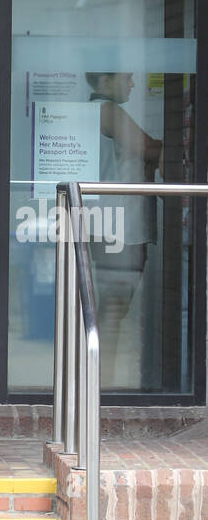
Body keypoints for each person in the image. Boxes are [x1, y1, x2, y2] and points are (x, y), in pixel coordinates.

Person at [85, 72, 162, 385]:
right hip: (120, 226)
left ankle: (98, 381)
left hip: (107, 222)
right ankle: (101, 384)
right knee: (114, 310)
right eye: (126, 77)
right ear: (105, 80)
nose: (132, 83)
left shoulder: (94, 111)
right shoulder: (109, 111)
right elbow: (149, 148)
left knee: (108, 310)